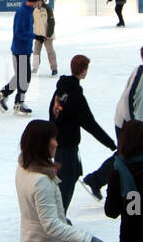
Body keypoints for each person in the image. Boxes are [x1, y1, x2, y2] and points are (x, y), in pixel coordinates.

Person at [14, 120, 110, 242]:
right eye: (52, 139)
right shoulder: (41, 181)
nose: (56, 143)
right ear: (41, 144)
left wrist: (62, 219)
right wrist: (88, 239)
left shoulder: (23, 167)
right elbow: (51, 225)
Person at [82, 43, 143, 200]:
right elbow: (130, 97)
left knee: (124, 156)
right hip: (127, 124)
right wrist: (132, 125)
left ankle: (97, 181)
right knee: (124, 157)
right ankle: (105, 184)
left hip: (130, 123)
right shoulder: (140, 73)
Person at [49, 54, 116, 212]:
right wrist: (111, 144)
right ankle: (59, 217)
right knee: (67, 180)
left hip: (58, 143)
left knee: (71, 174)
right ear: (84, 71)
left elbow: (52, 114)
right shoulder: (76, 96)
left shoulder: (60, 90)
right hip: (67, 144)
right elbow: (89, 123)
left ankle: (58, 215)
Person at [0, 0, 44, 115]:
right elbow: (18, 32)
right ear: (36, 1)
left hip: (24, 49)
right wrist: (35, 36)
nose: (41, 3)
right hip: (20, 50)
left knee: (21, 77)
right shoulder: (23, 12)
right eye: (40, 1)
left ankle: (2, 95)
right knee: (24, 78)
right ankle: (18, 103)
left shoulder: (29, 11)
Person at [31, 0, 58, 76]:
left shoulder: (47, 9)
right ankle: (35, 68)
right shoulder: (34, 10)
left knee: (50, 52)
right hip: (38, 35)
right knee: (36, 52)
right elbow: (31, 21)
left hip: (47, 36)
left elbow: (51, 22)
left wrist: (48, 34)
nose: (37, 2)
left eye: (38, 0)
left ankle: (54, 69)